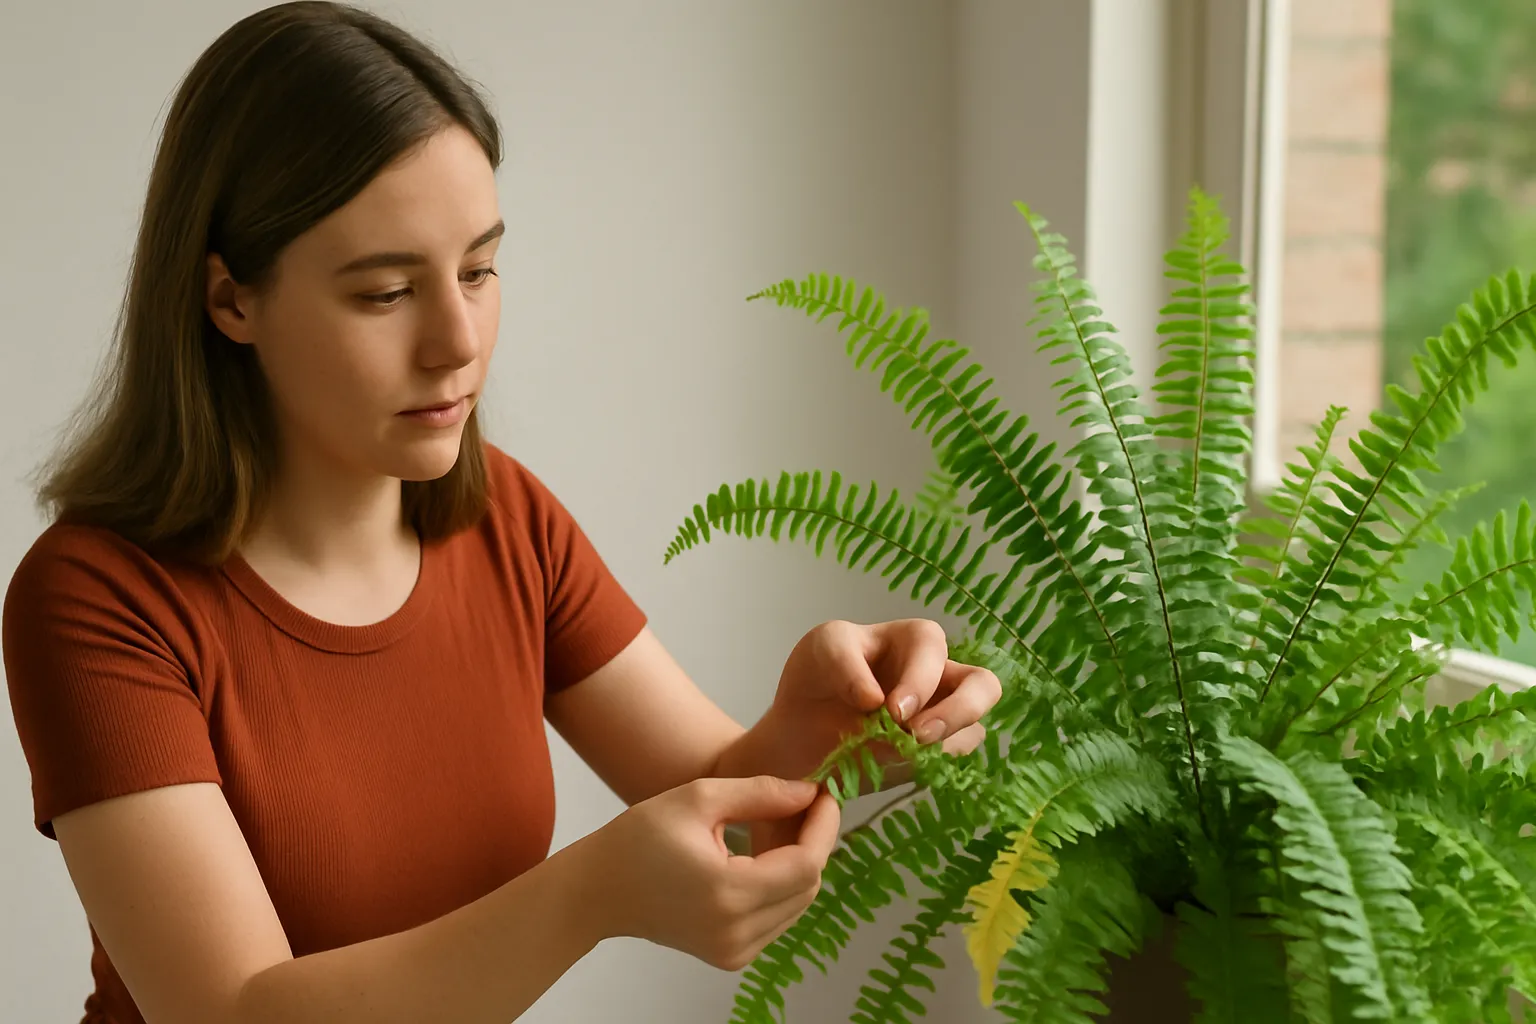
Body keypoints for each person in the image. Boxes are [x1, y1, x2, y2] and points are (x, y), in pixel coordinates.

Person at [0, 4, 1002, 1024]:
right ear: (230, 301)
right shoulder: (100, 599)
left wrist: (815, 732)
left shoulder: (508, 521)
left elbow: (720, 806)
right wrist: (591, 892)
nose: (457, 341)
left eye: (479, 270)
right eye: (386, 292)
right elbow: (231, 1009)